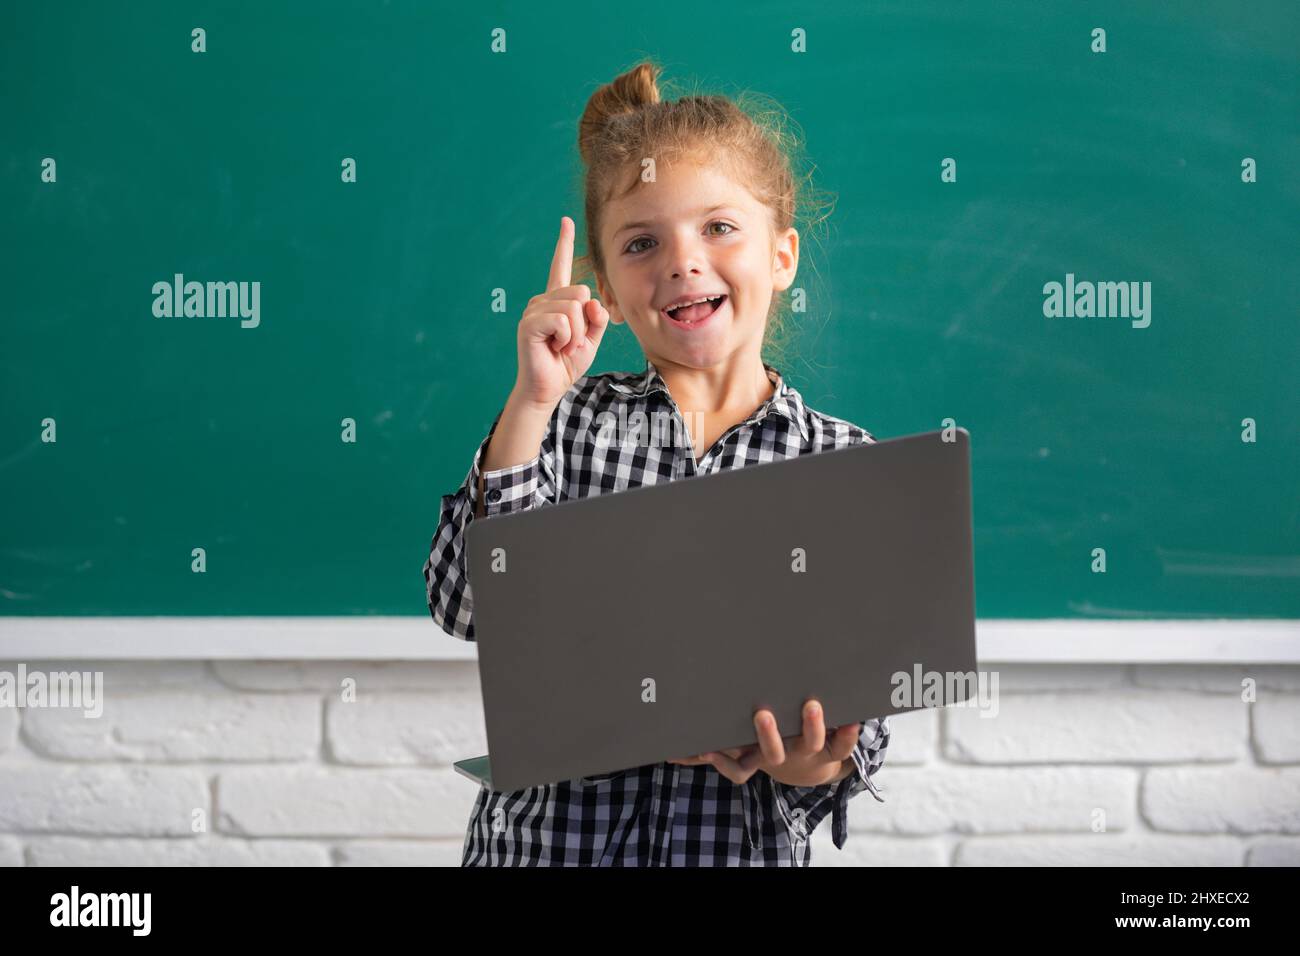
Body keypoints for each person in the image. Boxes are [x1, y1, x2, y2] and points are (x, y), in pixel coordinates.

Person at [424, 60, 890, 866]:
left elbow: (862, 717)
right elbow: (467, 609)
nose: (682, 261)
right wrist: (531, 403)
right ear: (604, 285)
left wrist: (813, 760)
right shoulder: (560, 428)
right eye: (643, 242)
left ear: (781, 257)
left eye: (718, 228)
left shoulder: (841, 463)